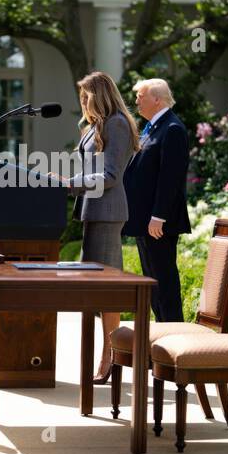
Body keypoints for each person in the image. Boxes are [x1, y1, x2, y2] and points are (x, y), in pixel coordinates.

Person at [63, 72, 139, 384]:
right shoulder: (96, 125)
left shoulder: (116, 123)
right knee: (95, 293)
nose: (82, 102)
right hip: (94, 211)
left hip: (107, 213)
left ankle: (110, 359)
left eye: (86, 96)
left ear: (100, 95)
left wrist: (70, 184)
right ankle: (108, 357)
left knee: (107, 293)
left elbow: (109, 176)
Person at [122, 78, 191, 324]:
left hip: (157, 222)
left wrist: (158, 216)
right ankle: (162, 338)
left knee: (165, 282)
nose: (137, 100)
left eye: (141, 95)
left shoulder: (172, 128)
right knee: (153, 284)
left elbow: (170, 177)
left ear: (157, 99)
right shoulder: (152, 126)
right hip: (145, 220)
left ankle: (174, 335)